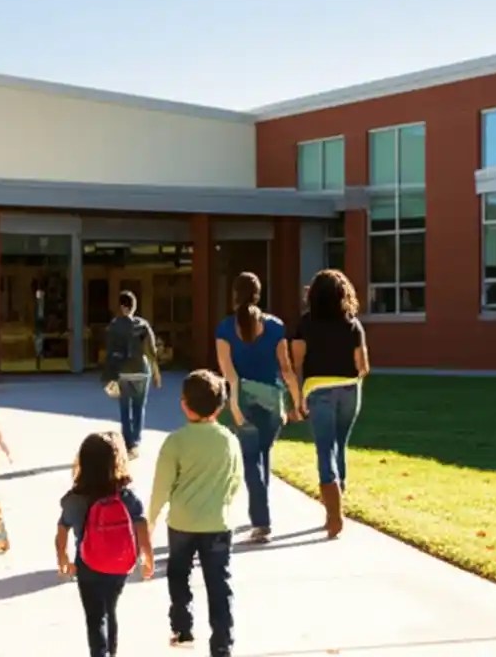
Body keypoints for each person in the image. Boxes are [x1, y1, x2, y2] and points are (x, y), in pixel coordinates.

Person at [148, 370, 243, 657]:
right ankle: (223, 643)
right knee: (219, 583)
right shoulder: (229, 440)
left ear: (183, 404)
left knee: (178, 574)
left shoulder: (175, 442)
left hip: (182, 522)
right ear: (220, 406)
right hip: (218, 522)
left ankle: (182, 628)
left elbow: (161, 487)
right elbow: (236, 479)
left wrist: (150, 520)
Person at [214, 272, 302, 544]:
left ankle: (261, 522)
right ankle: (261, 515)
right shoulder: (276, 326)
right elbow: (286, 370)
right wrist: (297, 401)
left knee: (252, 460)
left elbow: (230, 376)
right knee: (262, 455)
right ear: (258, 294)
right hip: (274, 403)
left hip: (245, 401)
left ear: (234, 295)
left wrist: (235, 407)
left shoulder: (225, 329)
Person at [55, 432, 154, 657]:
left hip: (88, 563)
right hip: (120, 563)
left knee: (95, 616)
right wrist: (148, 556)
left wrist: (63, 557)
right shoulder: (126, 496)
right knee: (111, 609)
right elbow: (141, 524)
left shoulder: (75, 498)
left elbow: (62, 529)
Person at [290, 269, 370, 539]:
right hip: (349, 390)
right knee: (340, 446)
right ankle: (339, 506)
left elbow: (297, 362)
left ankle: (333, 516)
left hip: (319, 390)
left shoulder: (305, 324)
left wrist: (299, 397)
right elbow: (363, 366)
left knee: (325, 451)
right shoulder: (353, 325)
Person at [101, 290, 161, 459]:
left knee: (124, 409)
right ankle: (135, 443)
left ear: (120, 306)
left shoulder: (113, 326)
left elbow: (110, 352)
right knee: (139, 408)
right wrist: (156, 373)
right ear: (134, 306)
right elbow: (152, 351)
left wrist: (109, 376)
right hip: (142, 371)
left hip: (123, 373)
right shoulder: (142, 325)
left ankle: (127, 444)